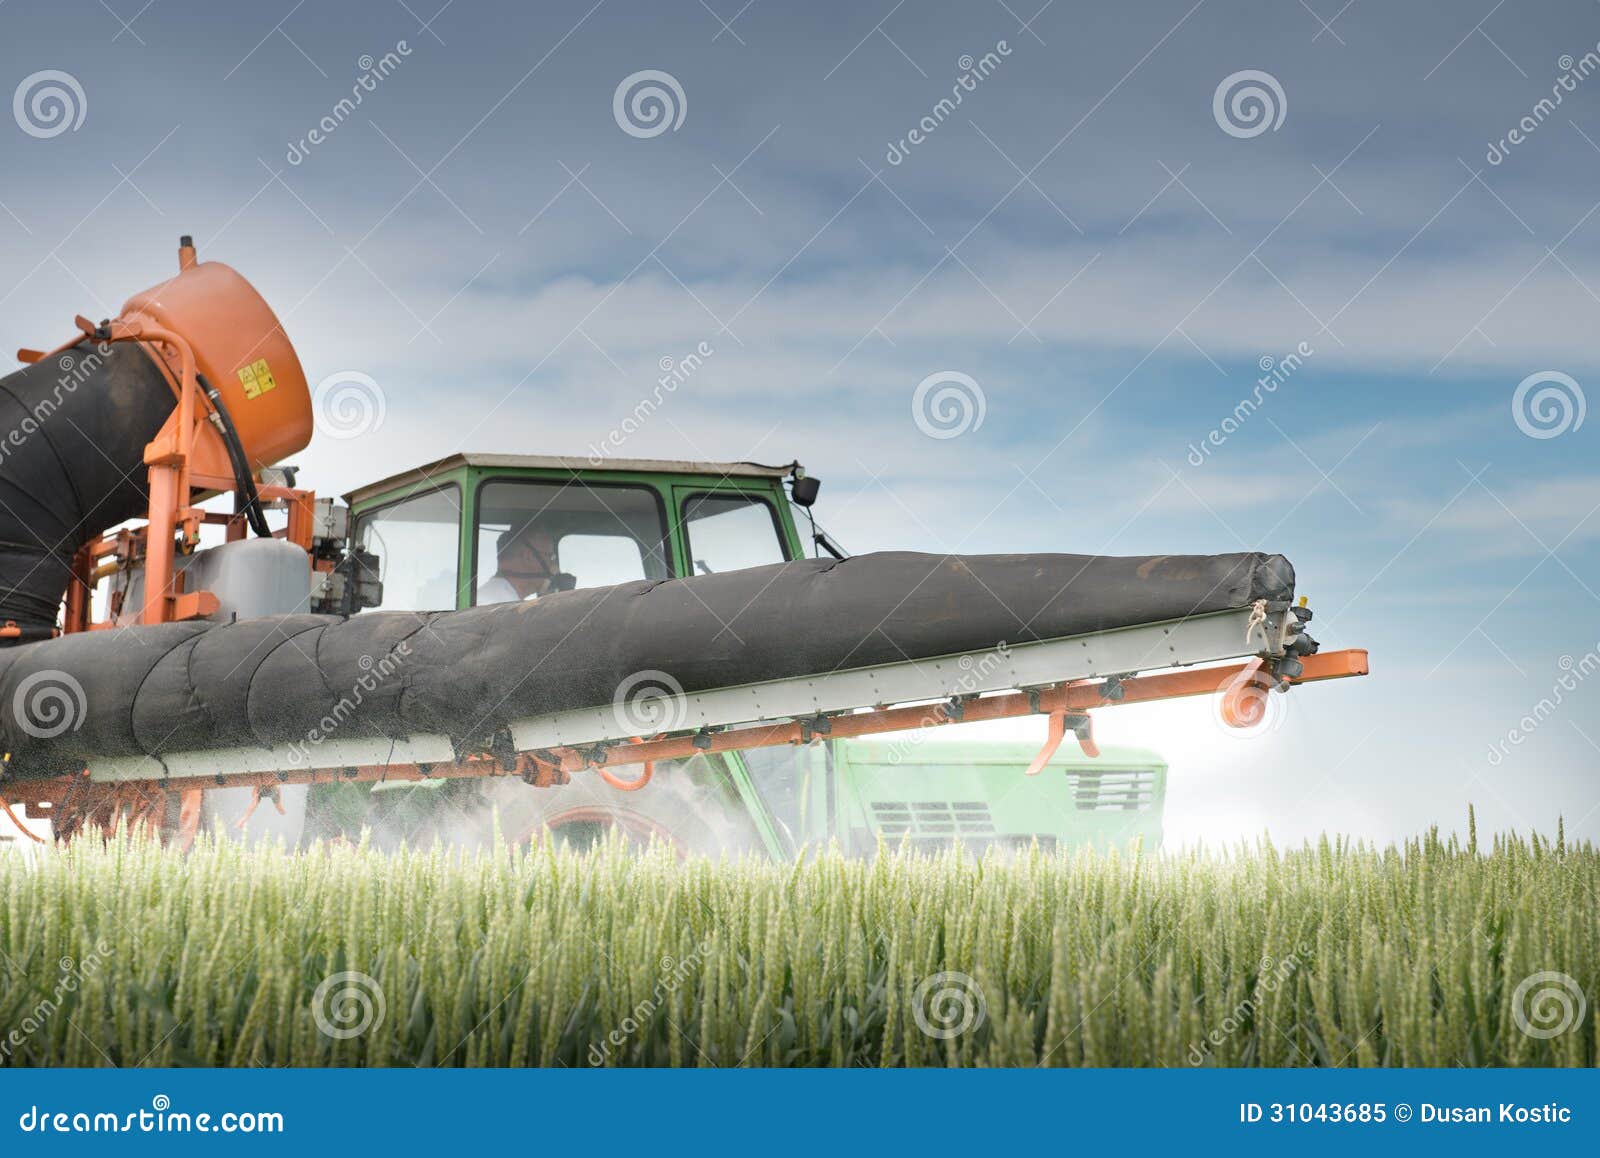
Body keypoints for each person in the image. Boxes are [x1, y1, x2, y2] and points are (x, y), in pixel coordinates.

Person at [477, 522, 563, 604]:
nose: (555, 567)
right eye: (550, 557)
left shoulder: (501, 599)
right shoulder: (495, 603)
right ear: (528, 557)